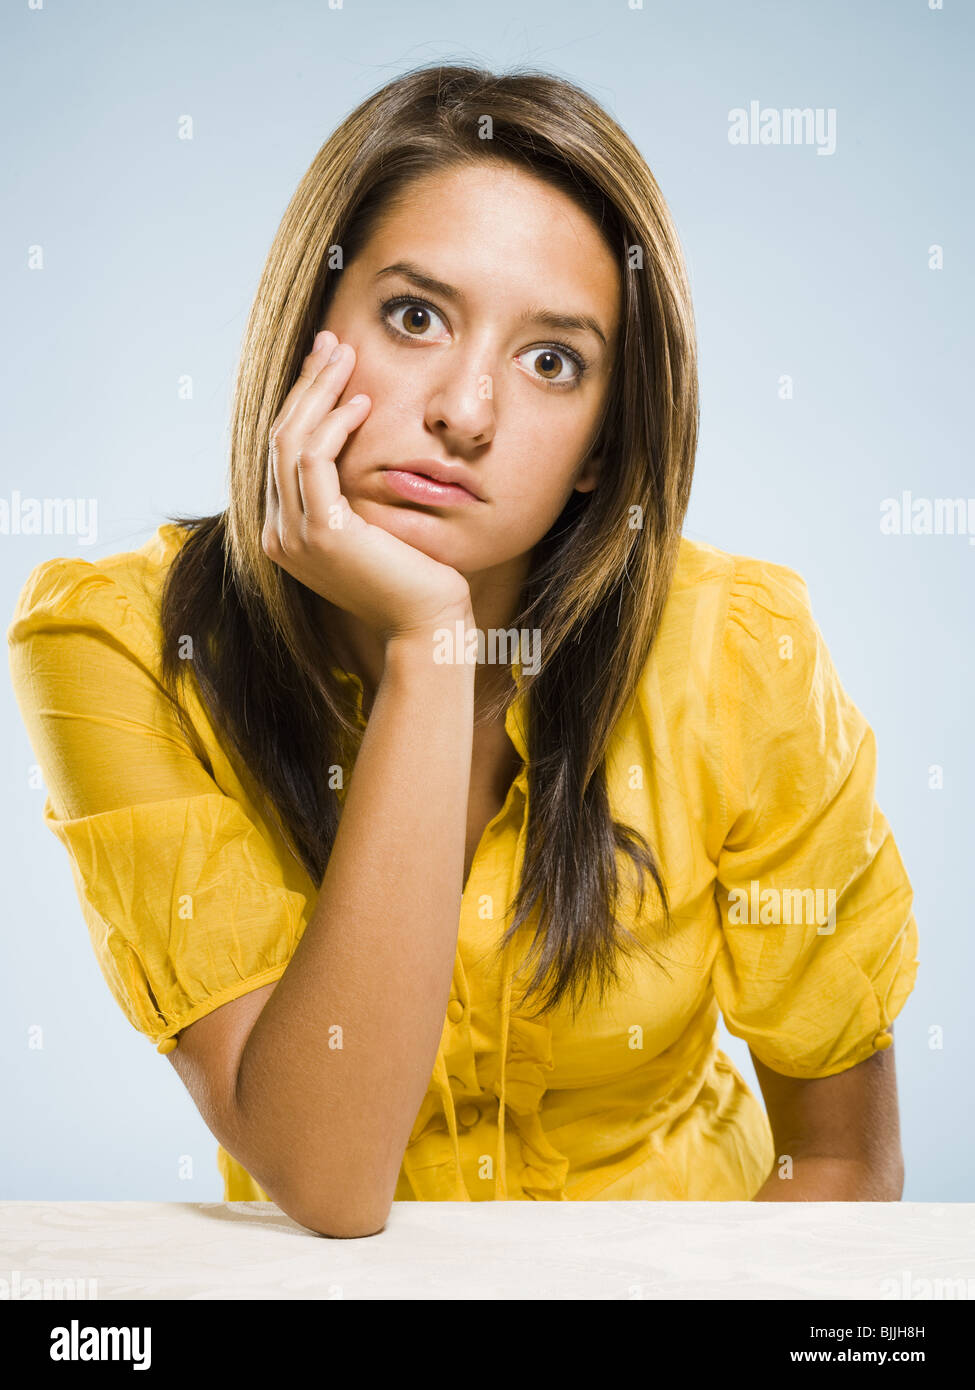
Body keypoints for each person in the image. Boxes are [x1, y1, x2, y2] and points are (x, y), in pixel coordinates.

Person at [8, 63, 918, 1237]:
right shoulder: (120, 645)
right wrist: (429, 649)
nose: (468, 412)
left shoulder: (741, 650)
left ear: (602, 443)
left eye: (554, 361)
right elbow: (329, 1175)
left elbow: (843, 1165)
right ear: (307, 328)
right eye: (415, 316)